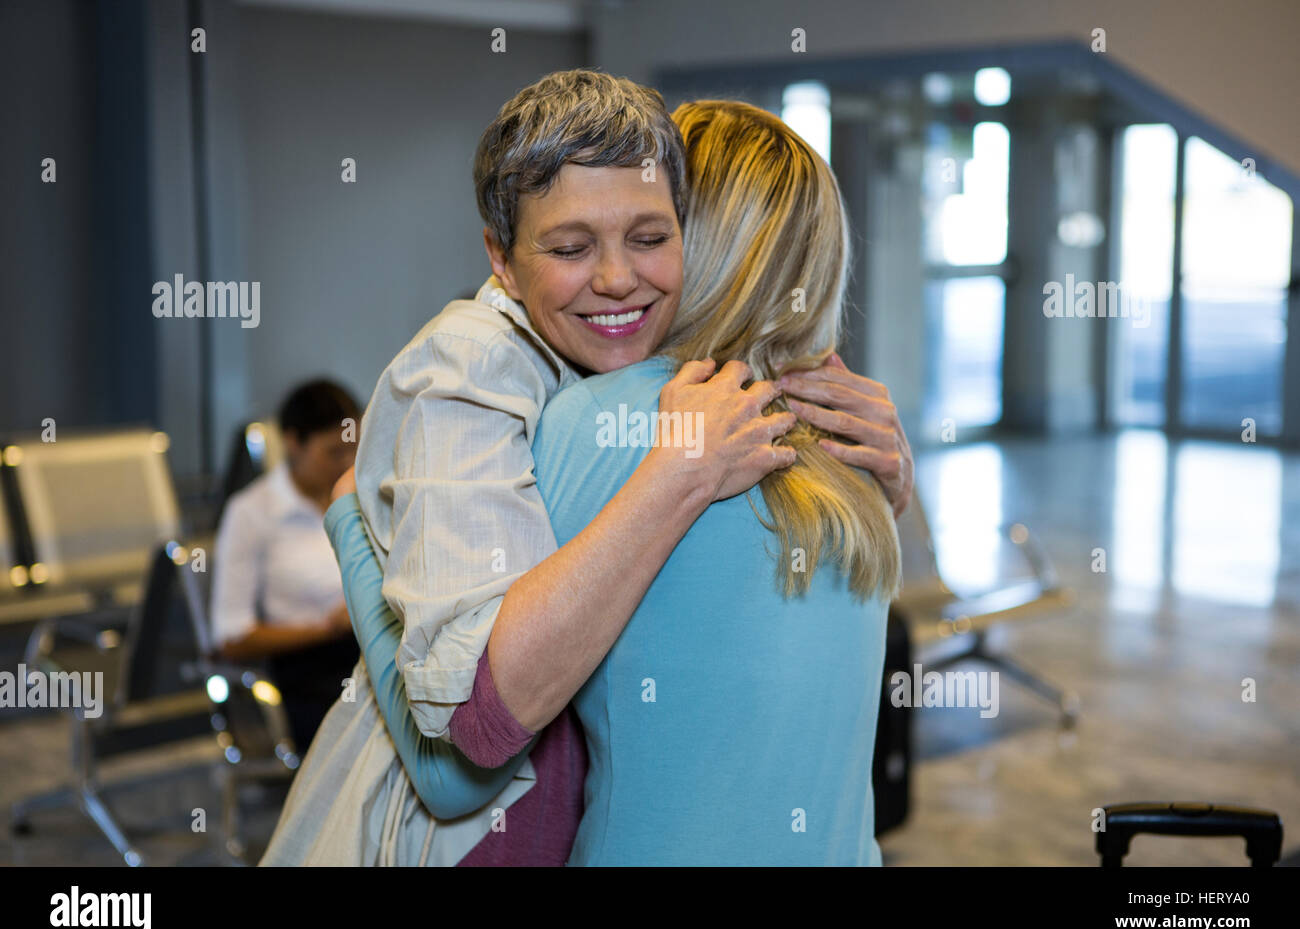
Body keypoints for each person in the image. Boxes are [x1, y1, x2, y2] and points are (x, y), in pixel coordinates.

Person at [262, 70, 912, 866]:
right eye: (571, 246)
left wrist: (356, 531)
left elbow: (463, 760)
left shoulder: (594, 423)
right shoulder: (845, 431)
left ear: (691, 236)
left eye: (649, 236)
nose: (615, 276)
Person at [210, 379, 361, 750]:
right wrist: (327, 628)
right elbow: (232, 637)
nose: (347, 463)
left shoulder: (358, 498)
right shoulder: (252, 513)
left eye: (352, 450)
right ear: (293, 443)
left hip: (364, 650)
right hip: (307, 670)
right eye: (333, 452)